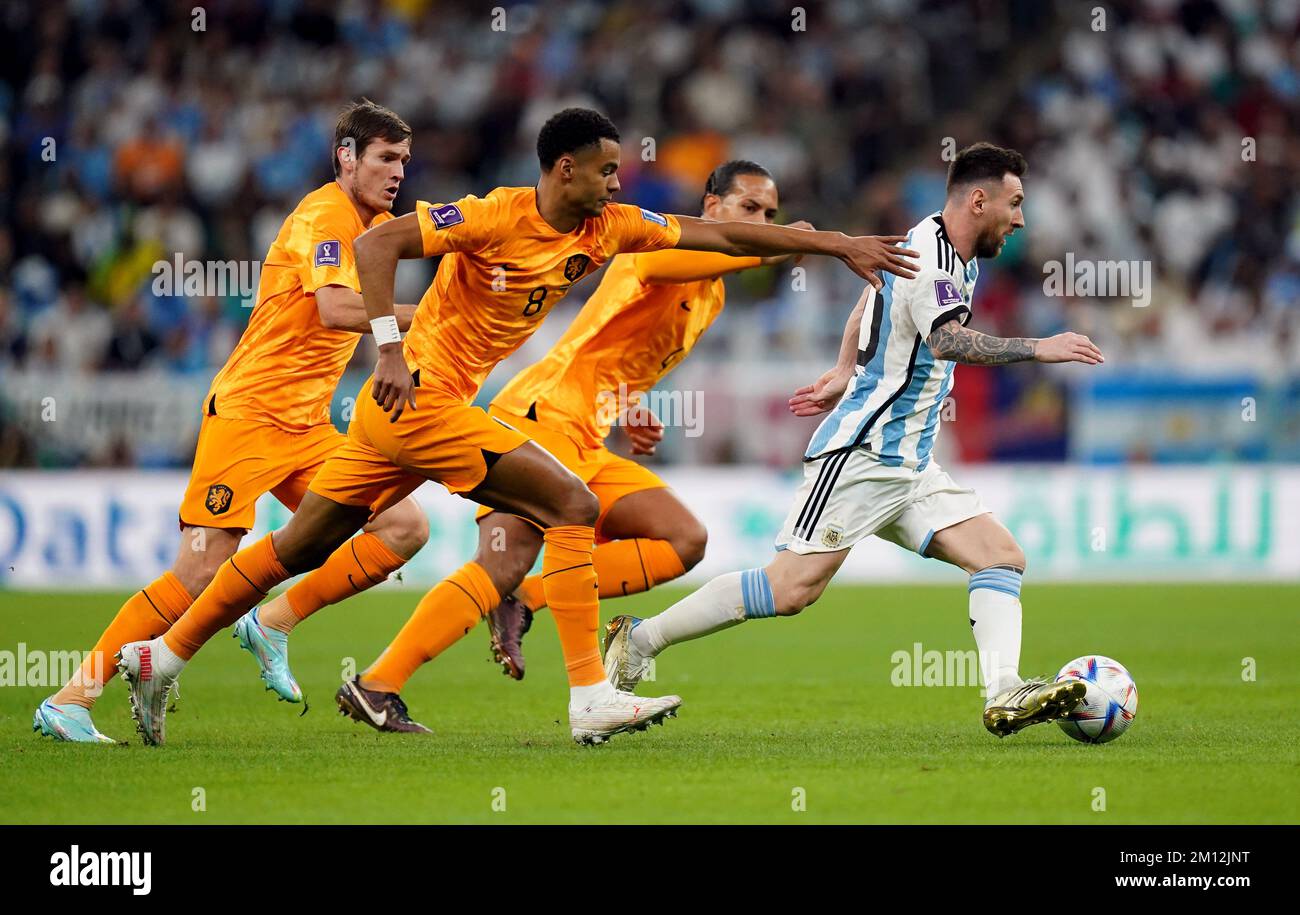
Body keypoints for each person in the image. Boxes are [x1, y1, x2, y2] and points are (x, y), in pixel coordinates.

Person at [118, 107, 919, 746]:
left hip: (404, 418)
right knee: (568, 505)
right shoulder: (492, 214)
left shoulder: (607, 230)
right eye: (606, 170)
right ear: (564, 169)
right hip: (423, 400)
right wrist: (389, 348)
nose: (616, 182)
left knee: (297, 547)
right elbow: (381, 243)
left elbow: (720, 234)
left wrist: (836, 242)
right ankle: (589, 694)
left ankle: (164, 654)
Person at [603, 142, 1107, 738]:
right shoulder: (935, 259)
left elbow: (873, 291)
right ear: (980, 199)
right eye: (1015, 202)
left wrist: (845, 366)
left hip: (912, 464)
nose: (1020, 218)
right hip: (863, 455)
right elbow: (948, 342)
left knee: (1000, 557)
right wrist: (1038, 348)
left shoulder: (940, 245)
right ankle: (638, 640)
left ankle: (1004, 693)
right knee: (789, 589)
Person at [33, 100, 429, 743]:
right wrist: (424, 317)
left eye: (404, 161)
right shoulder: (324, 213)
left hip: (305, 426)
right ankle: (70, 698)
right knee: (199, 568)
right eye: (386, 158)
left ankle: (271, 622)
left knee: (403, 525)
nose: (397, 172)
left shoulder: (371, 224)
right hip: (249, 415)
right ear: (346, 158)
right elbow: (332, 308)